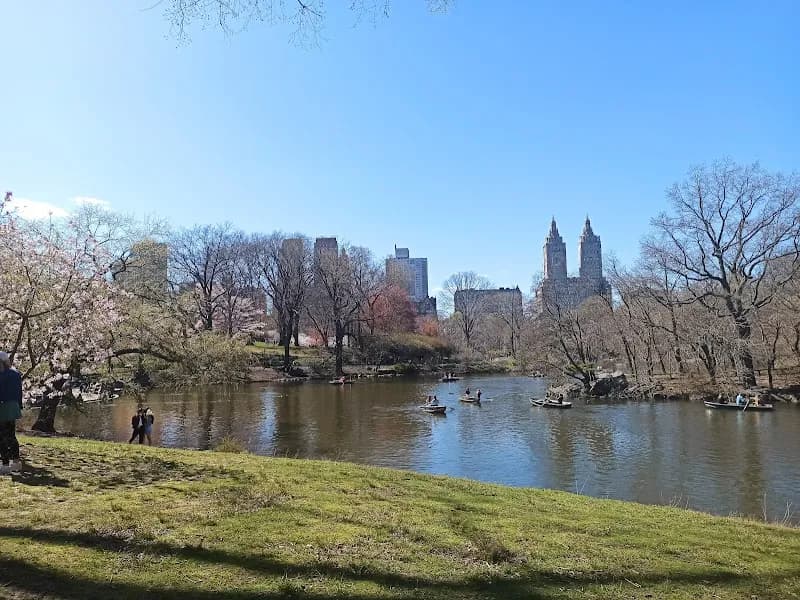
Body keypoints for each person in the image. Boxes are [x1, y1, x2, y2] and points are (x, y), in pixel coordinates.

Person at [0, 352, 23, 474]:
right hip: (13, 407)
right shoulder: (15, 374)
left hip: (3, 406)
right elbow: (19, 392)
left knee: (2, 436)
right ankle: (16, 462)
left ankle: (5, 464)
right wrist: (19, 405)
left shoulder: (3, 375)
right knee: (10, 435)